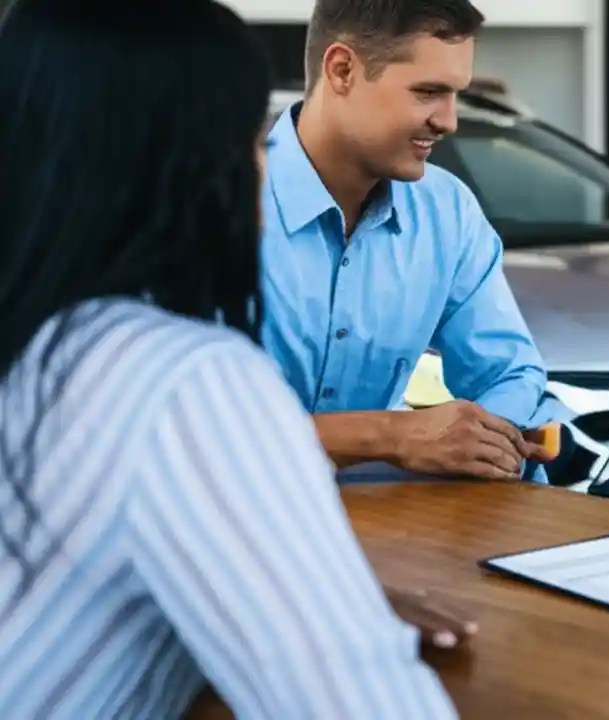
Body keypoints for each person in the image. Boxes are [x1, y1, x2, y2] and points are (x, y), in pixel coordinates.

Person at [0, 1, 459, 716]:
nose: (262, 167)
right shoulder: (181, 379)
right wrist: (316, 606)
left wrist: (299, 585)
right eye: (251, 138)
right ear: (187, 162)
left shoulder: (37, 344)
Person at [261, 0, 550, 481]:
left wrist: (487, 441)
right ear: (342, 70)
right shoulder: (215, 203)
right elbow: (180, 429)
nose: (448, 121)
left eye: (455, 94)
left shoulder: (447, 212)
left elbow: (507, 375)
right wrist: (393, 435)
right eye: (428, 92)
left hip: (396, 527)